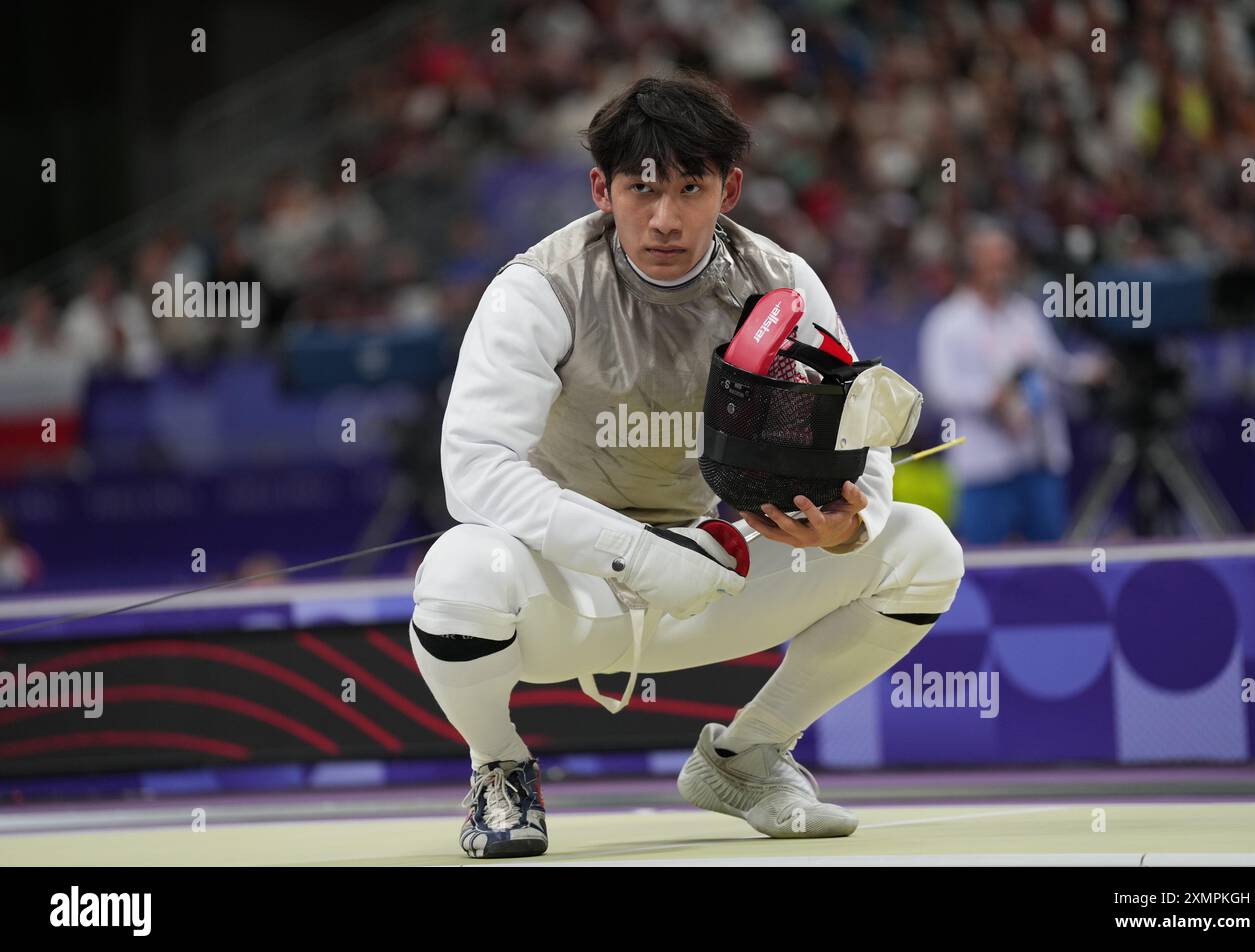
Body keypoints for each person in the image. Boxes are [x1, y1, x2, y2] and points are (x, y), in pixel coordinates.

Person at [410, 74, 965, 859]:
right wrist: (633, 552)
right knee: (458, 575)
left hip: (717, 576)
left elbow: (865, 455)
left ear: (728, 189)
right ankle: (499, 767)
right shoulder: (539, 290)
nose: (665, 218)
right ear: (602, 189)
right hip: (573, 591)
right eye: (642, 190)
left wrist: (847, 526)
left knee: (922, 549)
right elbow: (475, 470)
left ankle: (748, 757)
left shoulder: (784, 284)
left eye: (690, 188)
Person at [919, 225, 1109, 544]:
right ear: (973, 264)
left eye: (1006, 262)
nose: (1001, 270)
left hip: (1036, 457)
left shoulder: (1024, 313)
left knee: (1050, 559)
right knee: (984, 565)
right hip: (983, 464)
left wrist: (1088, 370)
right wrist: (988, 397)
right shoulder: (947, 321)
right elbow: (938, 387)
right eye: (992, 262)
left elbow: (1054, 366)